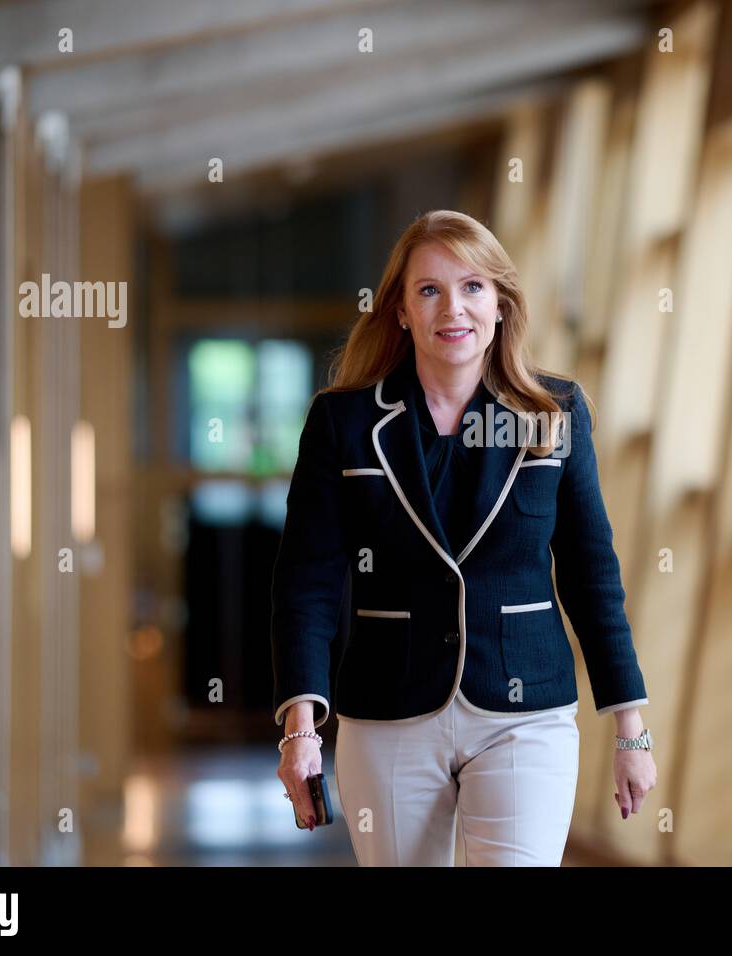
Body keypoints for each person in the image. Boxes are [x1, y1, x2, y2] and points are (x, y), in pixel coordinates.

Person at [272, 209, 655, 866]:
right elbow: (306, 580)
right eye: (429, 290)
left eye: (473, 287)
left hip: (524, 714)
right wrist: (299, 730)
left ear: (501, 302)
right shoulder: (345, 423)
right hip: (389, 711)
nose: (454, 308)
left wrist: (631, 730)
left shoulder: (553, 416)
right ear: (400, 310)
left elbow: (591, 574)